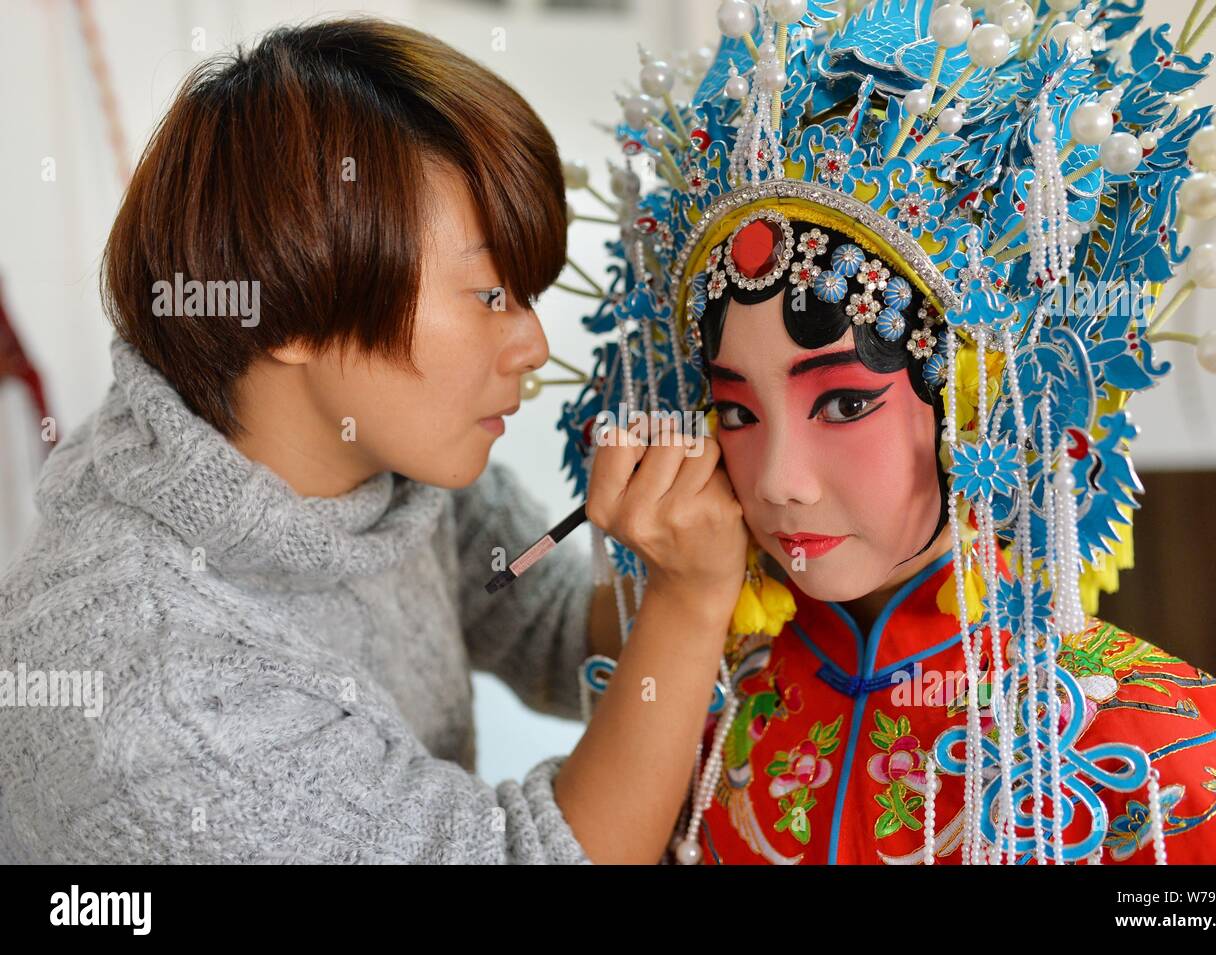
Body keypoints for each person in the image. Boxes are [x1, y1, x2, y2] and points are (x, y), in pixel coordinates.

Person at [555, 0, 1216, 864]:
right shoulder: (694, 734)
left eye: (842, 403)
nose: (778, 481)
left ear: (980, 398)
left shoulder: (1163, 762)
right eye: (735, 411)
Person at [0, 17, 748, 865]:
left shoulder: (371, 458)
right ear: (285, 307)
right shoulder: (163, 700)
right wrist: (687, 605)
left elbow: (534, 609)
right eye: (488, 294)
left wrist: (702, 557)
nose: (534, 344)